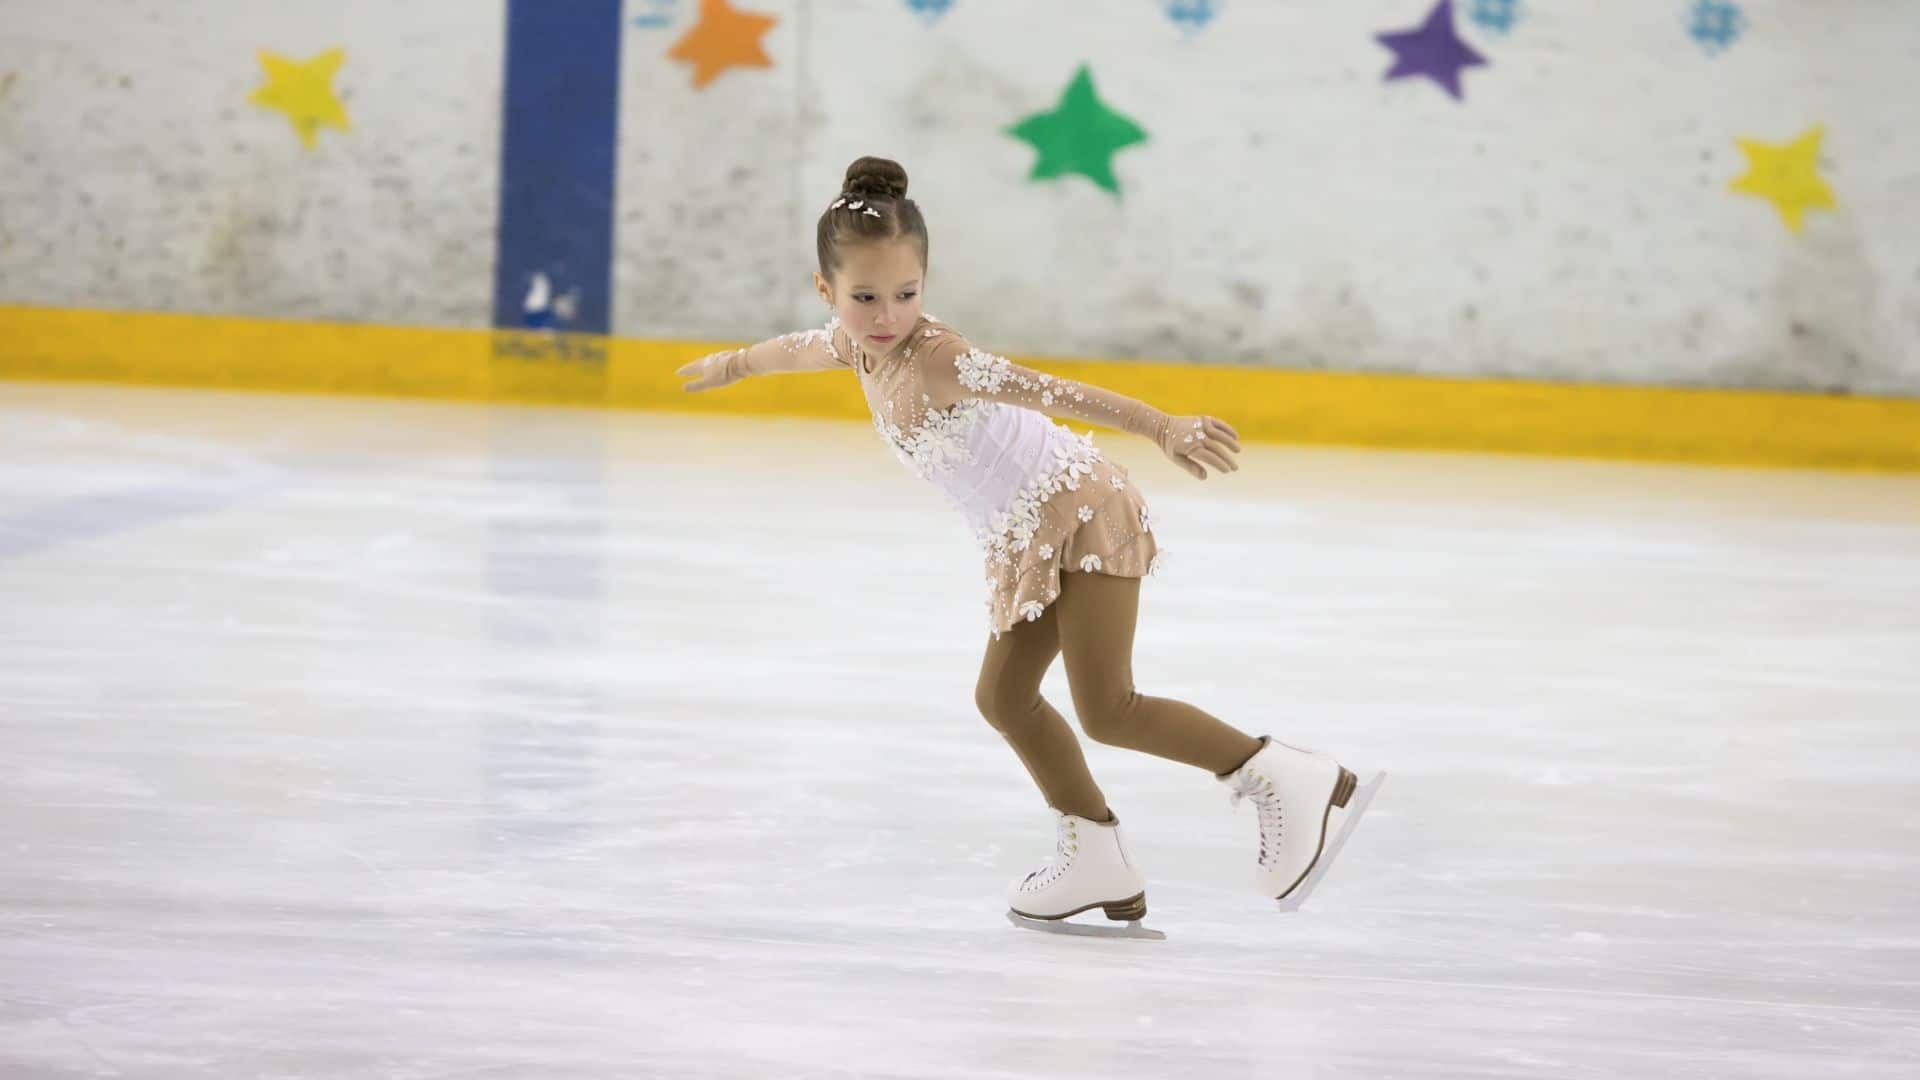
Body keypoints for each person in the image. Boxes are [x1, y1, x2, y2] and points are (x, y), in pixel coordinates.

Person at [677, 155, 1375, 934]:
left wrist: (1161, 426)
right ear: (826, 290)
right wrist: (730, 366)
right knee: (1004, 698)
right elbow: (795, 349)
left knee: (1108, 708)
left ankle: (1281, 775)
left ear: (925, 285)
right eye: (863, 297)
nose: (885, 315)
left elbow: (1054, 391)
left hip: (1084, 511)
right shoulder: (854, 345)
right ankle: (1095, 853)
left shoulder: (936, 356)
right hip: (1026, 537)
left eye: (905, 294)